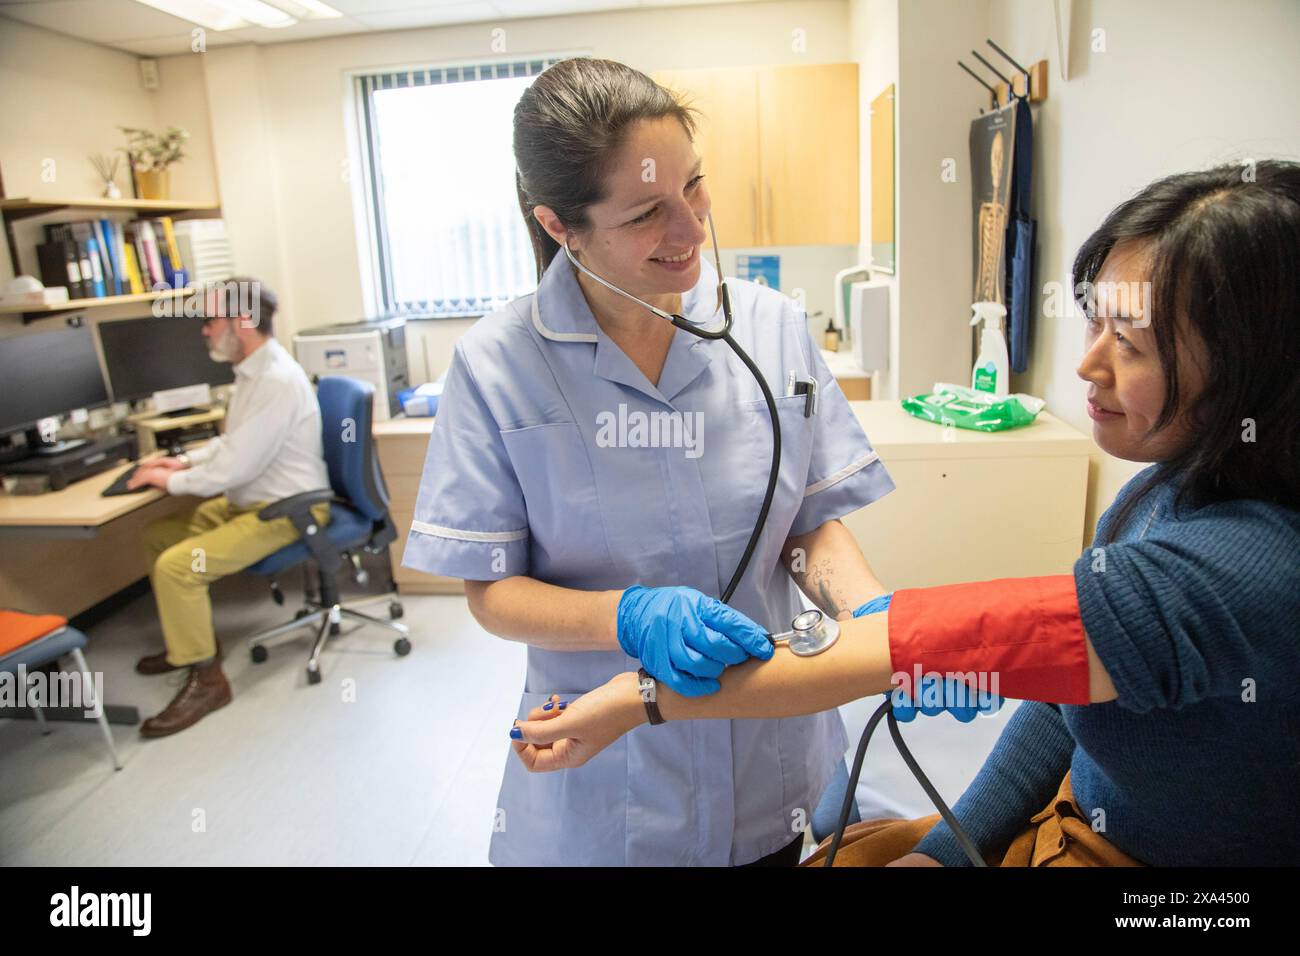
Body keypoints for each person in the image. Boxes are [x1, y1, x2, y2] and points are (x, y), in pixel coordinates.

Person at [510, 161, 1300, 867]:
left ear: (1248, 371)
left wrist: (633, 700)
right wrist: (946, 854)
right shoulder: (1164, 488)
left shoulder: (1241, 572)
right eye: (1094, 322)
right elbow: (1068, 704)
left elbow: (925, 641)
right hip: (1063, 822)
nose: (1087, 365)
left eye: (1130, 344)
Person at [401, 57, 897, 866]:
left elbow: (807, 522)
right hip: (608, 781)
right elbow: (491, 591)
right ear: (560, 224)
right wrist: (627, 615)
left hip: (768, 759)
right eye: (646, 214)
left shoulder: (768, 327)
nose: (692, 229)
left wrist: (872, 616)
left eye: (695, 186)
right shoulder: (498, 366)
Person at [129, 279, 330, 738]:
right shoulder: (251, 374)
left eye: (210, 320)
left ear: (241, 321)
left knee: (178, 567)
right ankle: (191, 646)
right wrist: (182, 460)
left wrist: (173, 481)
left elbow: (237, 466)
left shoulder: (276, 379)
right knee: (157, 535)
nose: (203, 330)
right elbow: (232, 444)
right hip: (250, 503)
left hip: (286, 510)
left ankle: (208, 680)